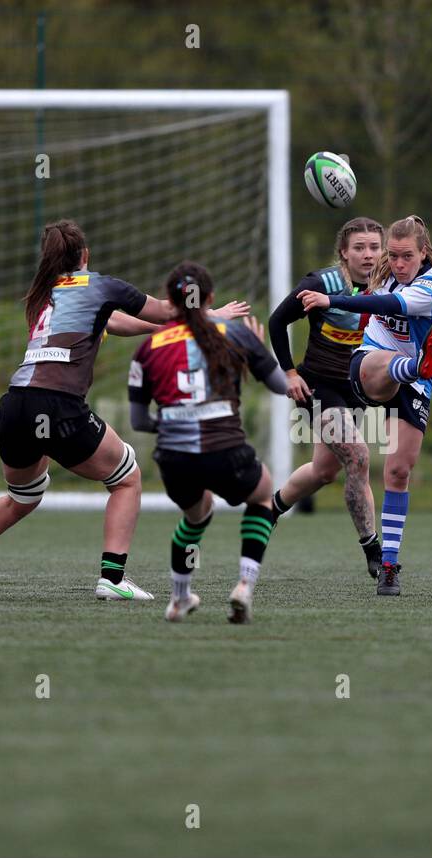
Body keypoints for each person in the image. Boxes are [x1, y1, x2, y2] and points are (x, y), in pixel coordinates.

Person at [0, 220, 248, 601]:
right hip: (57, 406)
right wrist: (212, 316)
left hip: (15, 407)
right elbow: (164, 311)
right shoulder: (101, 286)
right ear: (85, 256)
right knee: (127, 477)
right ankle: (112, 578)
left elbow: (119, 323)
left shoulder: (44, 295)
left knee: (21, 497)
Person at [296, 214, 432, 596]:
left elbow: (390, 302)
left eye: (406, 257)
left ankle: (388, 567)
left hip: (415, 383)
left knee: (398, 470)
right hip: (372, 366)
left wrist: (332, 299)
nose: (398, 264)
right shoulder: (383, 270)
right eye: (393, 256)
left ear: (423, 253)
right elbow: (366, 285)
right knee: (377, 372)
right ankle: (415, 364)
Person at [129, 262, 288, 623]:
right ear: (211, 298)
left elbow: (139, 421)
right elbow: (281, 386)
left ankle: (179, 598)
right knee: (263, 495)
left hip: (174, 459)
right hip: (225, 451)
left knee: (197, 513)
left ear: (170, 302)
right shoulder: (235, 333)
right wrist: (258, 348)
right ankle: (244, 586)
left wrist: (173, 424)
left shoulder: (148, 347)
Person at [267, 217, 386, 577]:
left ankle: (268, 510)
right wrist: (289, 373)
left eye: (374, 247)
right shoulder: (321, 283)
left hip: (356, 390)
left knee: (323, 472)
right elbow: (276, 321)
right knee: (358, 456)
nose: (368, 255)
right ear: (343, 253)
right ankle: (374, 551)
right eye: (359, 248)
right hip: (319, 387)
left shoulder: (389, 286)